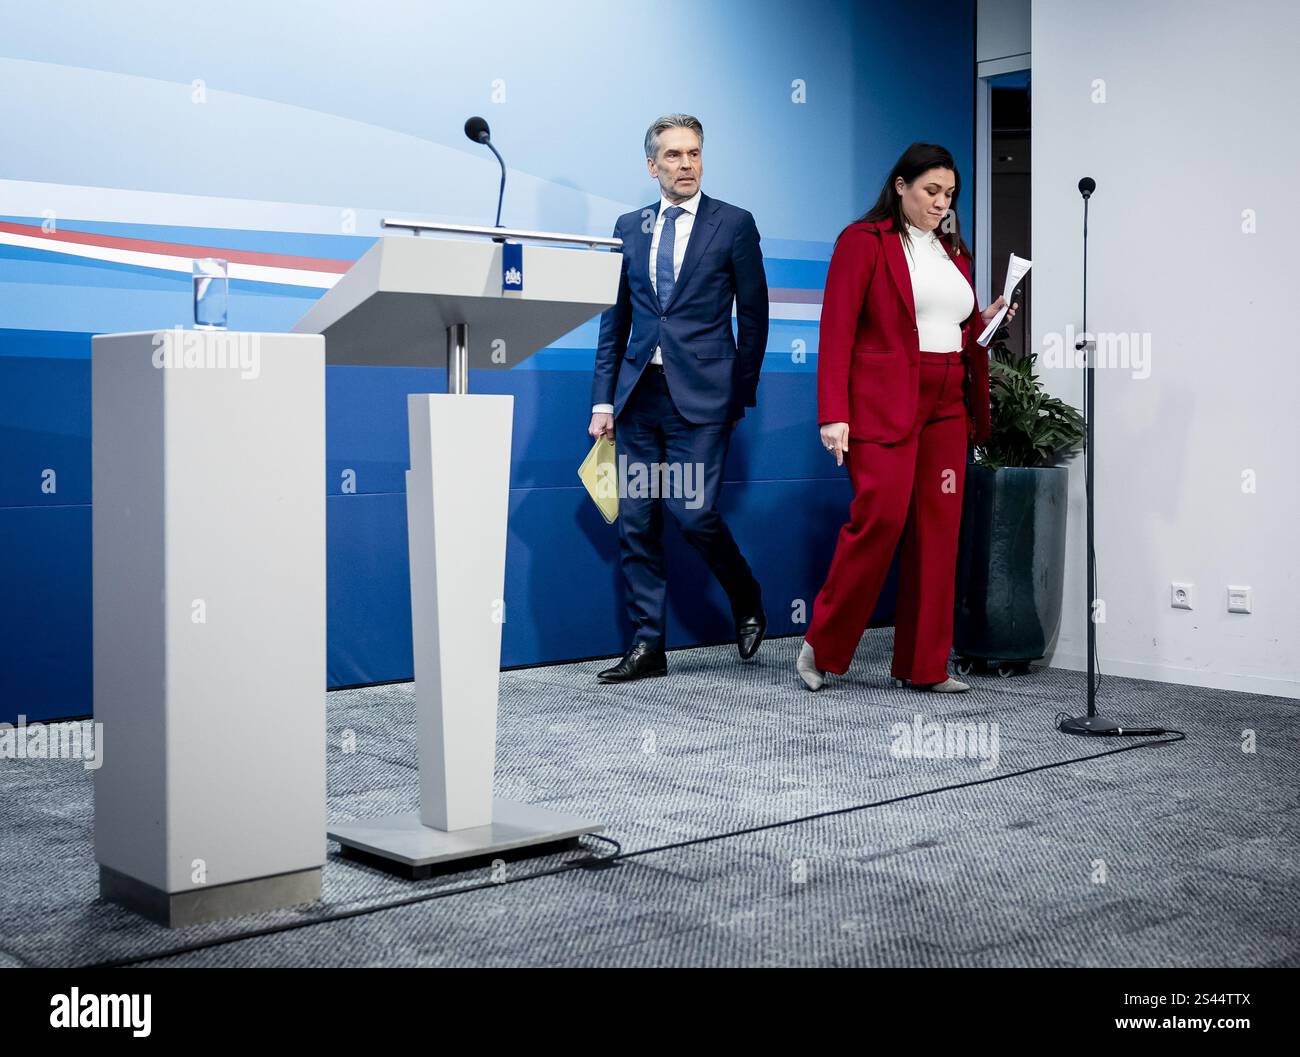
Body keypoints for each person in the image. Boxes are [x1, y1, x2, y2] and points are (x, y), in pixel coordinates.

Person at [797, 142, 1017, 693]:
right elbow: (837, 330)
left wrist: (983, 320)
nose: (941, 203)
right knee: (883, 518)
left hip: (948, 400)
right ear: (900, 186)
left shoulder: (953, 253)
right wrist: (833, 414)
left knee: (939, 531)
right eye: (930, 191)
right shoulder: (863, 241)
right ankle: (821, 645)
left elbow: (955, 329)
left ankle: (924, 666)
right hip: (883, 400)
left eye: (949, 195)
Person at [589, 113, 769, 684]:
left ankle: (745, 595)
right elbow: (614, 321)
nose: (686, 163)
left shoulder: (734, 224)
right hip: (639, 399)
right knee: (637, 522)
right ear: (652, 166)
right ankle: (648, 646)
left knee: (691, 514)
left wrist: (739, 393)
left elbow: (756, 317)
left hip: (703, 401)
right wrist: (603, 400)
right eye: (673, 155)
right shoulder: (630, 226)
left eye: (693, 153)